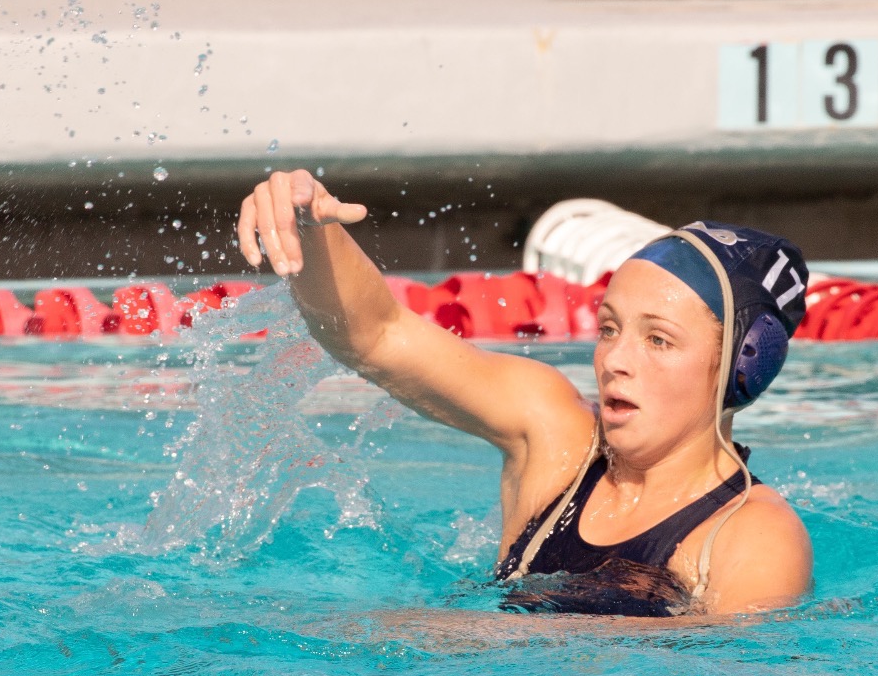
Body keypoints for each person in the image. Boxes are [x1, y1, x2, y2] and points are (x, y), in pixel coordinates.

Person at [237, 170, 813, 619]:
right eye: (609, 328)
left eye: (658, 340)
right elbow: (379, 335)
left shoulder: (751, 536)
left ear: (743, 368)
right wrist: (308, 224)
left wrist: (486, 637)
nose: (614, 360)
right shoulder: (554, 439)